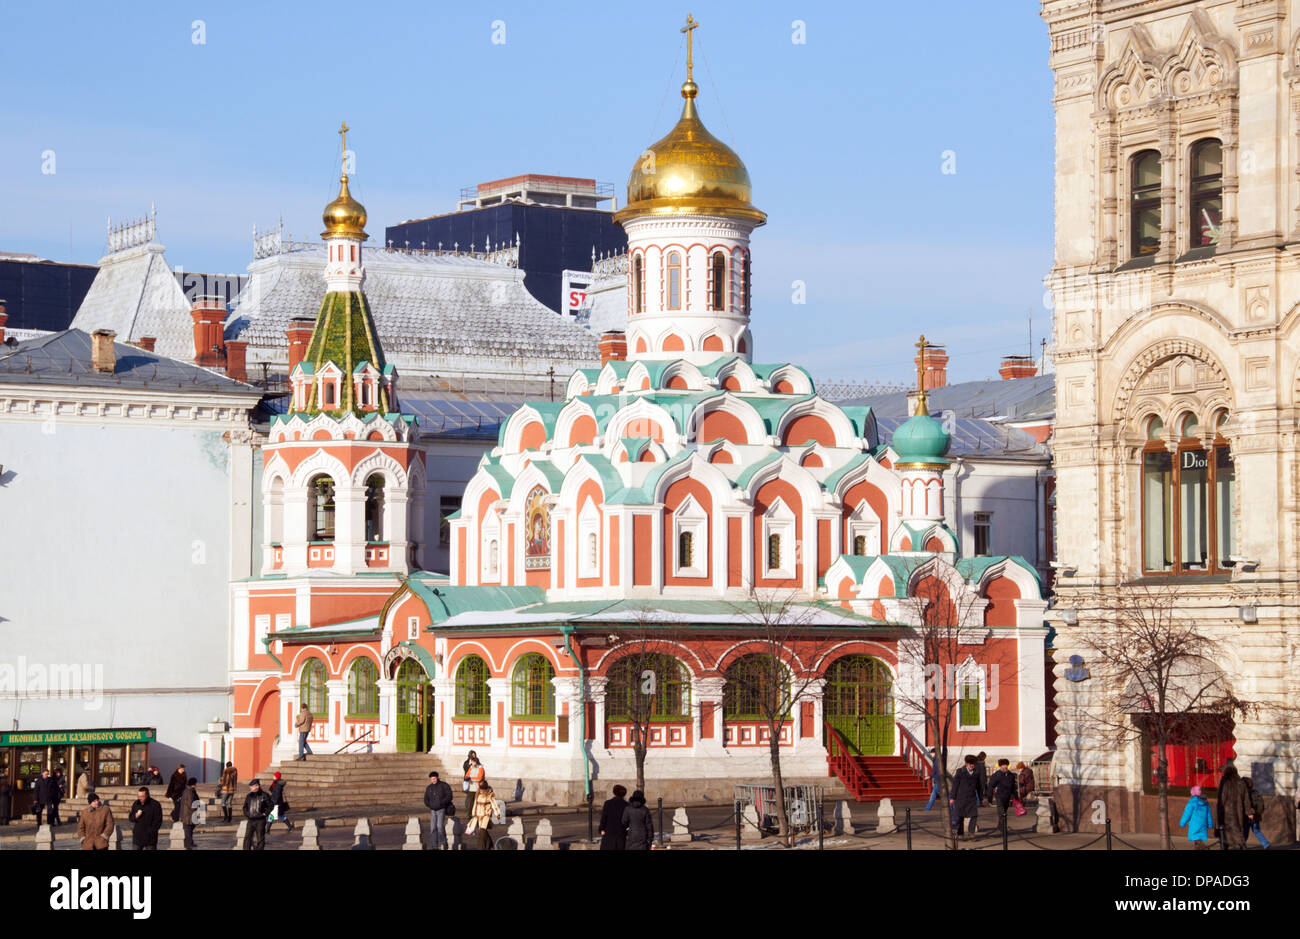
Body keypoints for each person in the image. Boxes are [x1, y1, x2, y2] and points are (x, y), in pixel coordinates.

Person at [1216, 763, 1251, 850]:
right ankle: (1243, 847)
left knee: (1224, 834)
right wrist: (1249, 811)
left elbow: (1221, 798)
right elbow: (1246, 799)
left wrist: (1219, 813)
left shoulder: (1224, 782)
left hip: (1225, 813)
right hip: (1238, 812)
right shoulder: (1240, 782)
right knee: (1238, 833)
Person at [950, 754, 981, 839]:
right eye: (970, 764)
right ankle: (960, 834)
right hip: (961, 797)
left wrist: (981, 797)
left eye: (973, 764)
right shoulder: (960, 771)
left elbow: (979, 786)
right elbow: (955, 785)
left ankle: (971, 833)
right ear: (966, 764)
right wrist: (953, 797)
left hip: (972, 798)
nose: (972, 766)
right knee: (960, 816)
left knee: (974, 815)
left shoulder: (976, 772)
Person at [424, 770, 454, 850]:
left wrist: (442, 803)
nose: (433, 780)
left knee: (440, 826)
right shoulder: (429, 787)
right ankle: (434, 846)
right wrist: (429, 804)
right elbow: (426, 798)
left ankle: (444, 843)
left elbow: (449, 796)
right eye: (431, 779)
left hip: (441, 809)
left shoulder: (444, 785)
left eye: (434, 778)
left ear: (437, 778)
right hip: (433, 810)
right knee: (433, 828)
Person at [243, 779, 274, 850]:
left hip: (260, 820)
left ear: (257, 786)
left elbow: (271, 805)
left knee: (260, 838)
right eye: (250, 786)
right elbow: (245, 807)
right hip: (250, 820)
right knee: (247, 837)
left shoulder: (264, 795)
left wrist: (265, 814)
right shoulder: (249, 796)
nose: (250, 788)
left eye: (252, 786)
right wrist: (247, 814)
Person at [988, 758, 1018, 831]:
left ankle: (1000, 826)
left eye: (1006, 765)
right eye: (1003, 765)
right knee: (1002, 812)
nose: (1005, 766)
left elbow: (1013, 786)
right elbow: (991, 786)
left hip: (1007, 796)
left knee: (1004, 811)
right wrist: (990, 797)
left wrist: (1016, 796)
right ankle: (1003, 827)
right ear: (1000, 766)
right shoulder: (997, 775)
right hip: (1000, 796)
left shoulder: (1011, 775)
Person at [467, 781, 496, 850]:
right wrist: (473, 813)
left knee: (482, 831)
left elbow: (494, 805)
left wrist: (497, 814)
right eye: (481, 788)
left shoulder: (490, 795)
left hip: (486, 815)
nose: (482, 790)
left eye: (483, 789)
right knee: (483, 831)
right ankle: (489, 843)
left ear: (486, 788)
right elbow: (475, 804)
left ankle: (481, 847)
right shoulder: (477, 795)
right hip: (479, 815)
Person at [598, 785, 629, 850]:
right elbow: (627, 820)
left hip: (609, 833)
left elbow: (604, 818)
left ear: (614, 792)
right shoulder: (626, 805)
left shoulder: (608, 803)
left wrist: (601, 828)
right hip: (621, 833)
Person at [1243, 778, 1270, 849]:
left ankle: (1242, 845)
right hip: (1256, 816)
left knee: (1245, 831)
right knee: (1257, 831)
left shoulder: (1245, 794)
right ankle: (1266, 844)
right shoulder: (1256, 792)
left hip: (1248, 816)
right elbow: (1261, 805)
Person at [180, 777, 200, 849]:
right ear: (193, 784)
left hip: (188, 814)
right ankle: (188, 845)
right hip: (188, 815)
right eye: (195, 784)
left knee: (190, 830)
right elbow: (191, 804)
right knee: (188, 831)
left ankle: (189, 843)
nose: (196, 785)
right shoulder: (189, 792)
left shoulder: (190, 790)